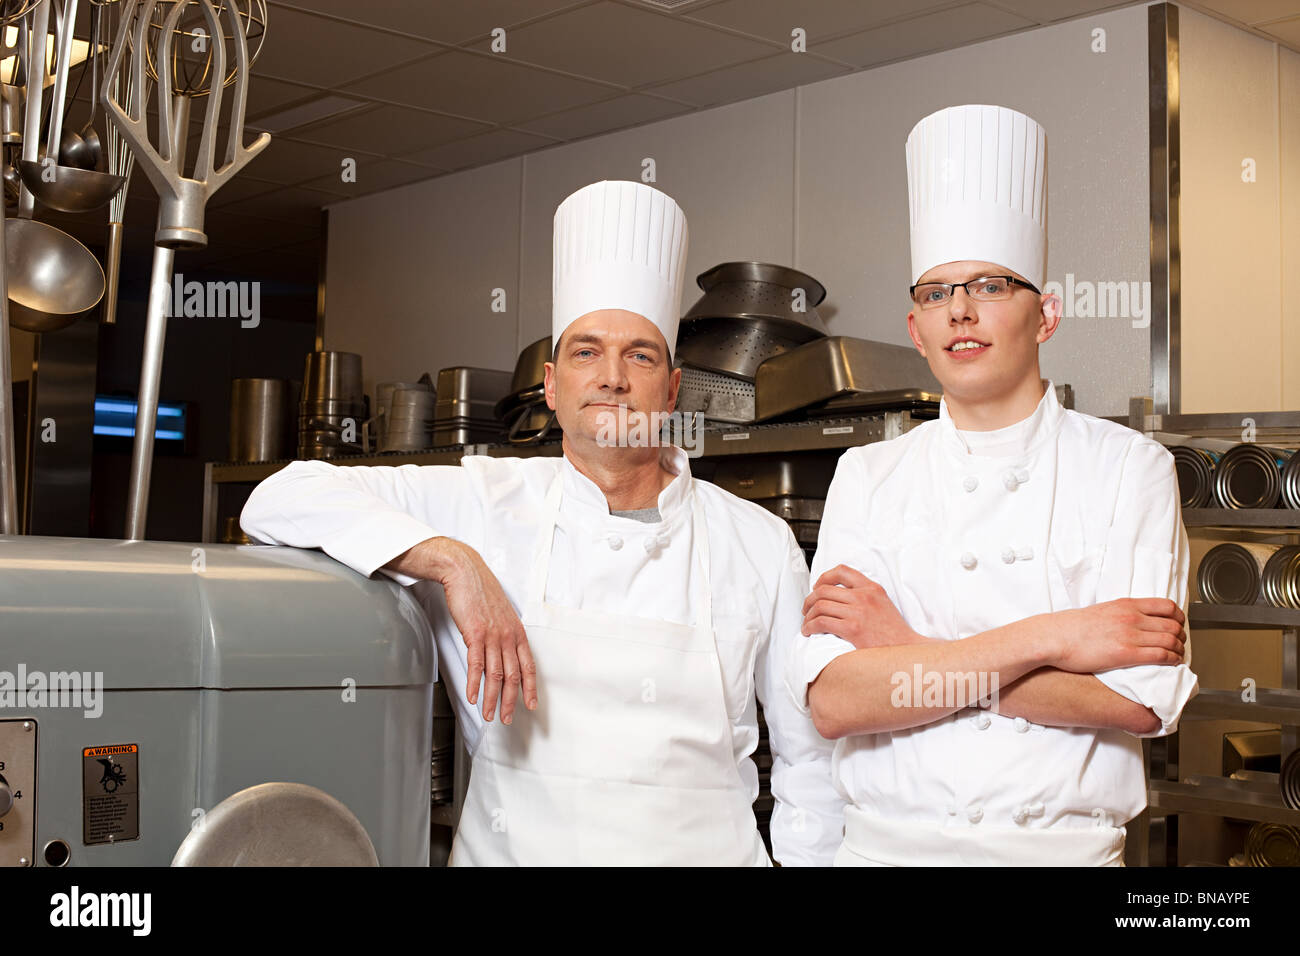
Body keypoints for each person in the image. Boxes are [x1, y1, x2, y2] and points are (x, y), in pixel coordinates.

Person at [242, 179, 846, 866]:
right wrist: (450, 561)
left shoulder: (757, 542)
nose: (612, 378)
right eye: (587, 352)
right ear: (554, 386)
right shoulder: (482, 501)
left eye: (640, 355)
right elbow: (278, 497)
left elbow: (810, 765)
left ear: (672, 390)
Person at [785, 104, 1199, 866]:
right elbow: (838, 703)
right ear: (916, 329)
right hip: (885, 854)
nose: (961, 311)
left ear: (1045, 315)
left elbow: (1139, 705)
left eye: (989, 286)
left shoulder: (1129, 469)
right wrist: (1059, 637)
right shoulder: (869, 475)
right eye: (937, 294)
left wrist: (906, 648)